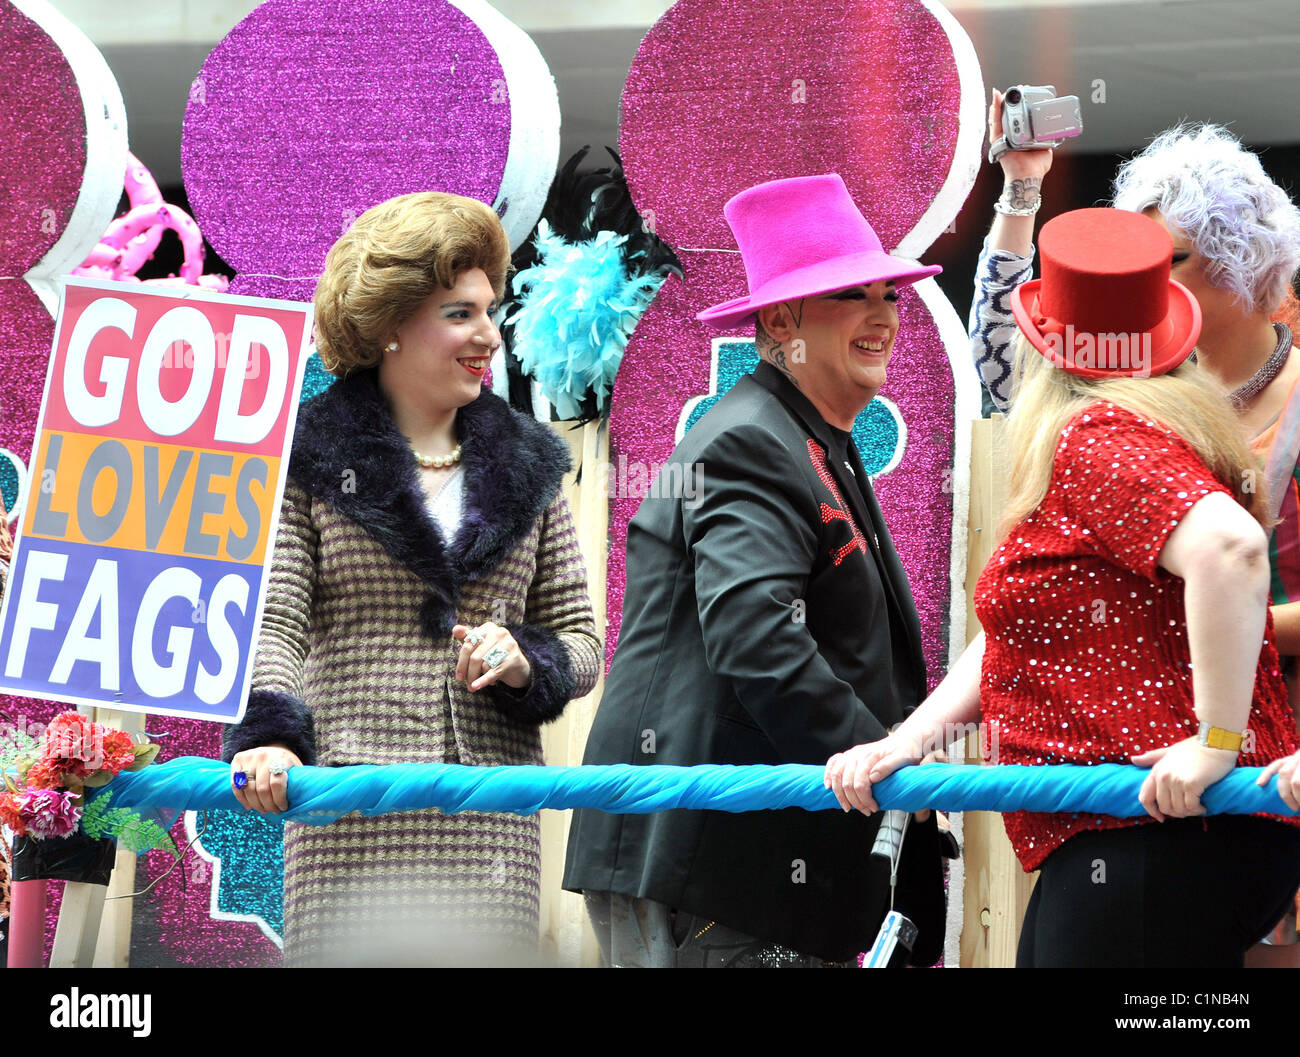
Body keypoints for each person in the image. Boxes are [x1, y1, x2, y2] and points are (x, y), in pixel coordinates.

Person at [828, 207, 1300, 968]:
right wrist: (911, 738)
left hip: (1158, 826)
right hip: (1158, 831)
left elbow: (1233, 550)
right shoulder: (1148, 429)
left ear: (1046, 348)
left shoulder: (1099, 434)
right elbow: (1029, 630)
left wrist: (1216, 742)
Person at [563, 173, 948, 967]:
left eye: (891, 297)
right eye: (852, 295)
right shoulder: (752, 438)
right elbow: (757, 636)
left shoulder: (797, 434)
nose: (882, 316)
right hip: (714, 869)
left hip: (740, 867)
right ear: (781, 318)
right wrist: (886, 763)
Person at [222, 192, 601, 966]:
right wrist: (270, 739)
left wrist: (527, 659)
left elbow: (584, 638)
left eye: (489, 311)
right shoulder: (310, 454)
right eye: (460, 313)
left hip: (490, 818)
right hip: (350, 811)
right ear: (391, 325)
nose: (489, 336)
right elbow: (278, 617)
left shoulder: (532, 464)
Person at [969, 110, 1300, 955]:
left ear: (1238, 266)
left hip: (1246, 776)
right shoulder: (1116, 405)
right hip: (1179, 785)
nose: (1148, 277)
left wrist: (1224, 712)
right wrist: (1019, 192)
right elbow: (1007, 356)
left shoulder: (1110, 430)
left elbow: (1232, 555)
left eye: (1172, 259)